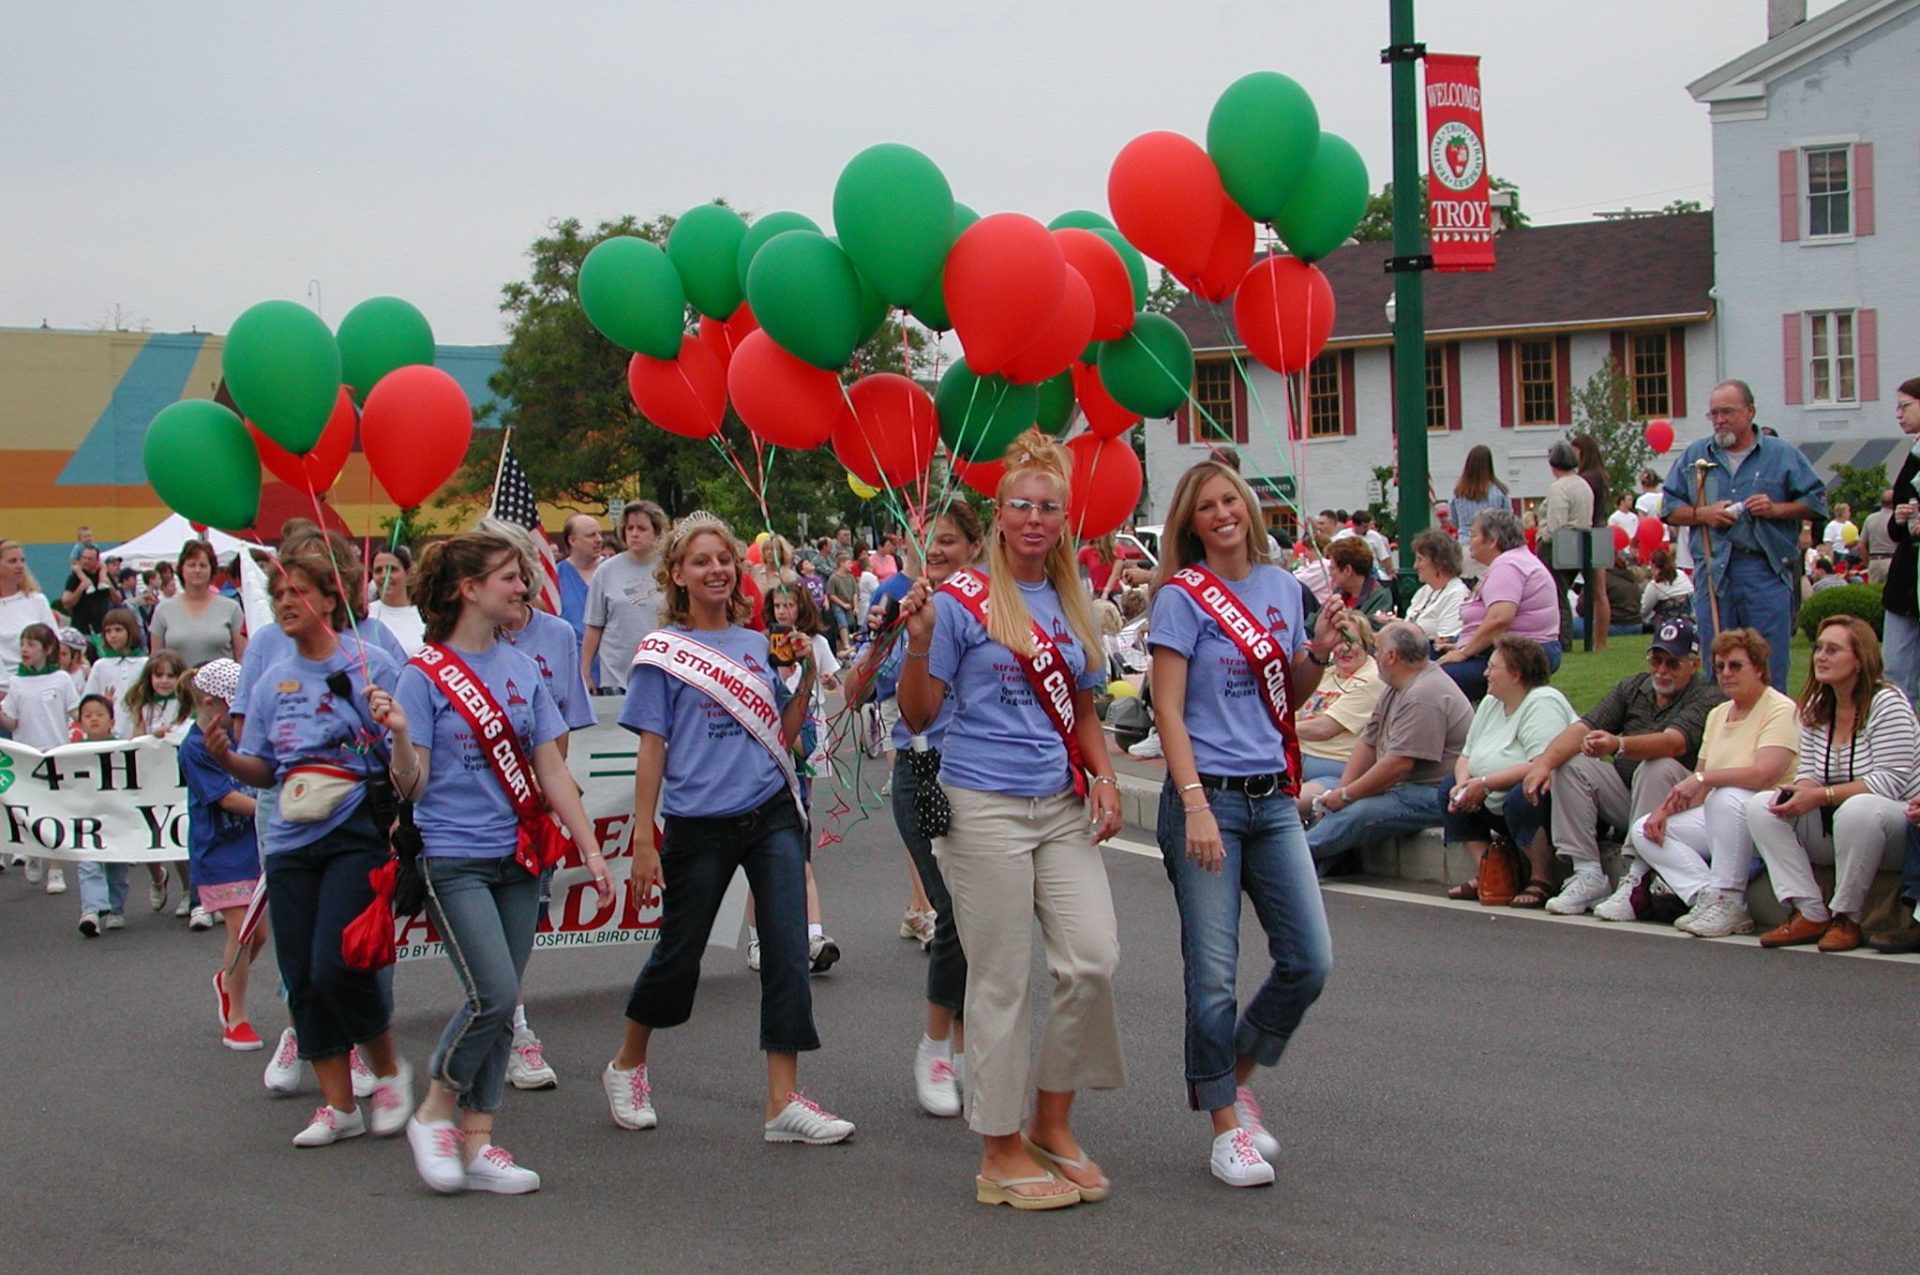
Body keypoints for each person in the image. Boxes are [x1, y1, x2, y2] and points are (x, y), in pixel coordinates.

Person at [897, 429, 1124, 1211]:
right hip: (982, 804)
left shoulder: (1071, 600)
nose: (1034, 517)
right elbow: (921, 712)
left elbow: (1085, 707)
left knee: (1091, 959)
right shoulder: (962, 599)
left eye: (1048, 507)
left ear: (1065, 518)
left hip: (1058, 804)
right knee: (1002, 979)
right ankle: (997, 1149)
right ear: (999, 514)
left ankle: (1050, 1121)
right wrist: (920, 646)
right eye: (1021, 505)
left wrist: (1105, 774)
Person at [602, 512, 855, 1149]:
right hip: (698, 823)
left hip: (769, 812)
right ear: (677, 576)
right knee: (678, 956)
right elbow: (652, 749)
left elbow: (787, 736)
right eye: (700, 561)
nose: (715, 569)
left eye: (723, 559)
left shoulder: (758, 643)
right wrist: (640, 840)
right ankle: (628, 1063)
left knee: (787, 950)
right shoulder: (661, 654)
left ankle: (782, 1101)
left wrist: (798, 685)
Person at [384, 530, 610, 1195]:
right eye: (510, 577)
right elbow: (412, 786)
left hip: (521, 858)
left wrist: (590, 848)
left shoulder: (520, 668)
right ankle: (434, 1110)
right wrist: (399, 734)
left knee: (504, 999)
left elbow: (552, 770)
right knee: (496, 994)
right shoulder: (422, 674)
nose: (524, 587)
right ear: (469, 588)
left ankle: (479, 1139)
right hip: (453, 856)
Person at [1144, 458, 1341, 1188]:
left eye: (1231, 499)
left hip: (1273, 797)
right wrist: (1193, 801)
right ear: (1190, 522)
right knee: (1214, 975)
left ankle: (1237, 1074)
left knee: (1308, 959)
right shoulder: (1180, 597)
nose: (1223, 513)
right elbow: (1167, 707)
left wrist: (1317, 649)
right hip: (1210, 800)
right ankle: (1225, 1126)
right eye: (1207, 506)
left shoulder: (1283, 587)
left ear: (1249, 507)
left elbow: (1285, 694)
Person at [202, 540, 415, 1149]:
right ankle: (338, 1106)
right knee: (301, 976)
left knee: (337, 961)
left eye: (298, 592)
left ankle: (386, 1068)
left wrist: (391, 726)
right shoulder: (271, 681)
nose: (284, 604)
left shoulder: (372, 663)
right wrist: (227, 759)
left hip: (355, 832)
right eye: (278, 596)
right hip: (290, 838)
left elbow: (409, 753)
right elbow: (266, 771)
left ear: (332, 596)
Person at [850, 505, 983, 1118]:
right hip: (925, 775)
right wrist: (888, 632)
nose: (937, 554)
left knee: (987, 923)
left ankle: (966, 1049)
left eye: (950, 543)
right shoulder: (901, 607)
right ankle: (937, 1048)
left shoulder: (997, 605)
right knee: (954, 909)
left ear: (977, 547)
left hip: (990, 780)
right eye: (929, 545)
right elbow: (855, 692)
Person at [476, 516, 599, 1091]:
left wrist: (544, 797)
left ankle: (504, 1020)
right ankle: (517, 1029)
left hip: (533, 806)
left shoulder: (556, 635)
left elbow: (564, 724)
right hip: (477, 807)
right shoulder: (461, 639)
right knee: (488, 932)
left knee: (520, 927)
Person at [1519, 616, 1723, 916]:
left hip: (1677, 808)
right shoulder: (1633, 687)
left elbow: (1673, 743)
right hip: (1629, 796)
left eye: (1672, 663)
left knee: (1657, 766)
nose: (1662, 671)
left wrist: (1620, 744)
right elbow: (1584, 727)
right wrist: (1544, 763)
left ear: (1693, 664)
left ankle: (1636, 876)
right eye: (1656, 660)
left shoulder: (1706, 696)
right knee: (1570, 765)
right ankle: (1587, 872)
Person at [1745, 617, 1920, 952]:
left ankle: (1847, 917)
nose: (1820, 656)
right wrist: (1799, 793)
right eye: (1819, 648)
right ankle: (1810, 911)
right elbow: (1808, 772)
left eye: (1833, 650)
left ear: (1859, 660)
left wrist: (1820, 795)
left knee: (1859, 809)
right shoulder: (1816, 706)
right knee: (1762, 807)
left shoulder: (1888, 703)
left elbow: (1890, 783)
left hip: (1894, 826)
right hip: (1837, 824)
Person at [1625, 628, 1799, 937]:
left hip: (1766, 817)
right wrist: (1664, 811)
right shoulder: (1718, 714)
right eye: (1719, 667)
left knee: (1727, 796)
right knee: (1644, 830)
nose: (1725, 674)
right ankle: (1708, 896)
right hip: (1722, 817)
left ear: (1758, 668)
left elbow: (1764, 774)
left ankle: (1730, 899)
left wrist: (1704, 779)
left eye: (1735, 666)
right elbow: (1700, 782)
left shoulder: (1781, 709)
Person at [1662, 379, 1828, 689]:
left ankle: (1771, 729)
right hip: (1713, 572)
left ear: (1750, 412)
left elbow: (1816, 503)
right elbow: (1669, 508)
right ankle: (1725, 730)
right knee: (1719, 660)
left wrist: (1776, 509)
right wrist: (1704, 514)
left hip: (1764, 569)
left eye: (1727, 412)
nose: (1720, 420)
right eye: (1714, 413)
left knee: (1769, 660)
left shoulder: (1780, 454)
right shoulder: (1697, 456)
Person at [1303, 621, 1473, 871]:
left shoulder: (1424, 694)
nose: (1375, 655)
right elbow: (1368, 742)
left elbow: (1399, 765)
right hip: (1404, 786)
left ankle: (1285, 861)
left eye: (1377, 649)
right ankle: (1321, 864)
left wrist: (1348, 795)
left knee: (1358, 814)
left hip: (1433, 791)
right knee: (1344, 809)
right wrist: (1342, 791)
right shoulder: (1397, 686)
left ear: (1392, 656)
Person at [745, 582, 842, 975]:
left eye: (790, 604)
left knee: (800, 859)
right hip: (761, 776)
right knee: (759, 866)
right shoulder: (758, 653)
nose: (784, 611)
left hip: (799, 765)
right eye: (778, 605)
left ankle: (814, 936)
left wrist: (815, 672)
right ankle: (756, 942)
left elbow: (806, 733)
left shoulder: (814, 647)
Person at [1440, 637, 1578, 907]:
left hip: (1545, 798)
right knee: (1448, 790)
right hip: (1489, 794)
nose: (1485, 673)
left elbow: (1541, 764)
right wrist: (1464, 783)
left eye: (1492, 667)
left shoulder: (1542, 702)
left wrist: (1485, 783)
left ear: (1516, 674)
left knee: (1526, 793)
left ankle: (1542, 875)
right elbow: (1466, 754)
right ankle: (1491, 868)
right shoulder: (1491, 702)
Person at [177, 659, 270, 1047]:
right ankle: (237, 1017)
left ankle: (226, 979)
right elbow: (228, 798)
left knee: (259, 935)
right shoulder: (194, 748)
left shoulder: (240, 736)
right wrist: (274, 808)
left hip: (253, 848)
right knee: (241, 930)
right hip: (218, 852)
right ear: (212, 702)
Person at [1437, 509, 1563, 701]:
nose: (1469, 541)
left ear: (1492, 540)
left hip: (1522, 655)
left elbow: (1500, 619)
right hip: (1514, 650)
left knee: (1431, 680)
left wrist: (1464, 652)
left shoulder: (1508, 565)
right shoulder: (1514, 561)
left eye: (1474, 535)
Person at [3, 623, 78, 891]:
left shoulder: (61, 679)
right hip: (26, 756)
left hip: (56, 753)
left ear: (47, 650)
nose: (25, 649)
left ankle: (56, 870)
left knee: (55, 810)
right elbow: (11, 723)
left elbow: (75, 713)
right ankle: (34, 853)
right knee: (30, 809)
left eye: (32, 644)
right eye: (22, 643)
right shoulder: (16, 683)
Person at [581, 500, 667, 694]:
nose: (634, 533)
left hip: (661, 671)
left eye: (642, 528)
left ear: (657, 532)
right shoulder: (606, 571)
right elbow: (594, 625)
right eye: (630, 528)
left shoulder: (670, 569)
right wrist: (584, 672)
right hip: (616, 675)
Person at [1294, 617, 1383, 788]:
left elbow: (1323, 729)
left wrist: (1276, 727)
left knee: (1287, 805)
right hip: (1295, 761)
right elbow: (1293, 713)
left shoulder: (1372, 679)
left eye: (1351, 641)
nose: (1344, 649)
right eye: (1337, 642)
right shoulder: (1327, 673)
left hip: (1336, 771)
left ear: (1367, 643)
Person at [72, 695, 131, 935]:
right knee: (88, 861)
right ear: (80, 723)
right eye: (88, 715)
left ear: (111, 721)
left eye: (99, 714)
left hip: (116, 815)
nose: (94, 718)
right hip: (86, 816)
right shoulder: (71, 752)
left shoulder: (123, 749)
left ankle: (115, 908)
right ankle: (91, 910)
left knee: (116, 864)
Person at [149, 540, 247, 667]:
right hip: (178, 686)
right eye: (192, 565)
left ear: (211, 570)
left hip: (220, 685)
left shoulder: (231, 608)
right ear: (181, 569)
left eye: (203, 565)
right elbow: (155, 661)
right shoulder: (163, 610)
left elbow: (241, 657)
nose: (197, 570)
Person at [1883, 378, 1920, 704]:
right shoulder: (1912, 455)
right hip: (1906, 581)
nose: (1899, 414)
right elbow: (1898, 529)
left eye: (1905, 406)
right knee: (1895, 670)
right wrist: (1900, 520)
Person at [1540, 441, 1595, 650]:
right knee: (1566, 593)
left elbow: (1556, 527)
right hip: (1582, 543)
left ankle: (1563, 640)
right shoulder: (1583, 484)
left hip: (1560, 545)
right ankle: (1580, 639)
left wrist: (1541, 535)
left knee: (1557, 595)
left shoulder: (1558, 488)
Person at [0, 539, 59, 711]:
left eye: (22, 561)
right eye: (12, 561)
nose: (19, 566)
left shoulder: (36, 600)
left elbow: (54, 641)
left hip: (39, 685)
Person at [1391, 529, 1469, 643]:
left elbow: (1445, 641)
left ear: (1439, 562)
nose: (1415, 566)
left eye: (1419, 559)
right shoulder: (1425, 590)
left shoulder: (1457, 594)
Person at [1572, 433, 1612, 649]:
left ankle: (1599, 641)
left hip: (1592, 533)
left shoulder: (1588, 478)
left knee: (1597, 592)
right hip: (1601, 531)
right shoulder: (1600, 475)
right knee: (1599, 592)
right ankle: (1600, 640)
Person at [1448, 445, 1511, 566]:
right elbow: (1508, 521)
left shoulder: (1458, 493)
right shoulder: (1500, 491)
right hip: (1493, 549)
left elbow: (1454, 521)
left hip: (1465, 546)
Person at [554, 512, 605, 646]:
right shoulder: (556, 576)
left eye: (600, 533)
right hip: (571, 657)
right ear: (572, 540)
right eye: (591, 535)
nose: (599, 539)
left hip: (610, 660)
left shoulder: (613, 571)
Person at [83, 606, 147, 708]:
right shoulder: (100, 665)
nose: (112, 635)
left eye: (118, 630)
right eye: (108, 631)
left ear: (131, 631)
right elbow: (89, 699)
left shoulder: (145, 663)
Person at [366, 545, 425, 653]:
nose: (384, 575)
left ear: (407, 574)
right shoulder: (364, 615)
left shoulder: (425, 615)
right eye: (378, 570)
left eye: (392, 569)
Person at [60, 544, 120, 636]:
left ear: (97, 560)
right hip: (81, 630)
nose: (86, 561)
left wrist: (110, 586)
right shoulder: (75, 577)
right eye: (84, 558)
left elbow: (118, 600)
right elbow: (66, 603)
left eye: (89, 559)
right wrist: (81, 587)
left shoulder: (104, 575)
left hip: (102, 629)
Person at [1325, 537, 1390, 618]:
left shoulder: (1380, 599)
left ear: (1348, 570)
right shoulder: (1339, 593)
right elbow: (1311, 624)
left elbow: (1367, 628)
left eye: (1332, 568)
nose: (1330, 573)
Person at [1639, 548, 1694, 631]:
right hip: (1688, 621)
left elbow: (1644, 610)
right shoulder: (1681, 574)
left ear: (1654, 566)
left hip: (1665, 623)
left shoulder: (1655, 585)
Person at [1861, 490, 1897, 587]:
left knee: (1874, 593)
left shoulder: (1870, 519)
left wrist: (1868, 564)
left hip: (1874, 561)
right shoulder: (1896, 518)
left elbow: (1861, 545)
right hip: (1892, 559)